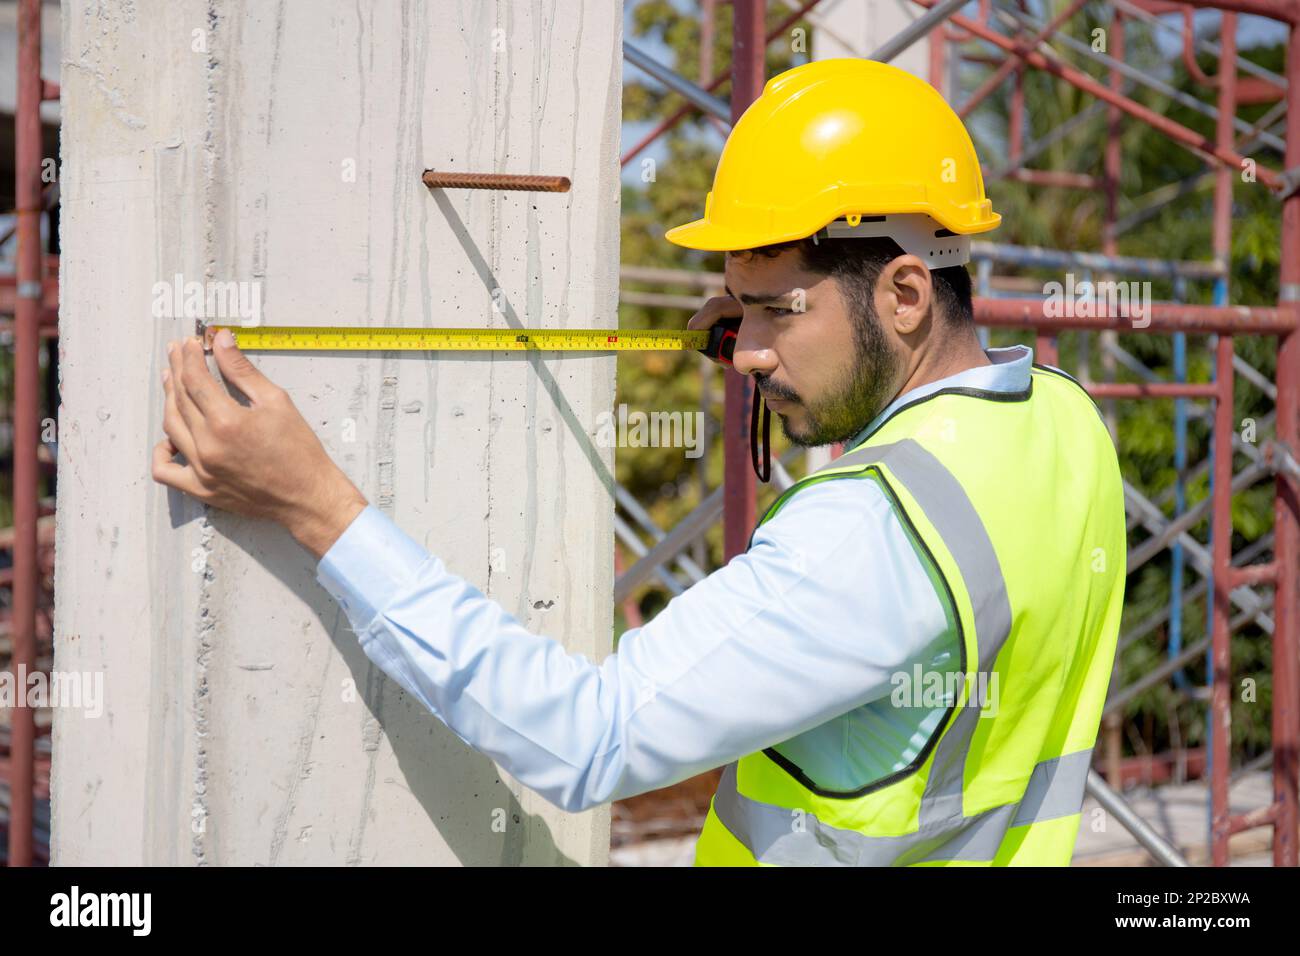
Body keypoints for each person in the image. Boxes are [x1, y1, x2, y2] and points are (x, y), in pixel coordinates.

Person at [153, 58, 1126, 866]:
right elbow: (909, 497)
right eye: (736, 306)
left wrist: (316, 503)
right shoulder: (1062, 422)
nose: (744, 346)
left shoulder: (866, 534)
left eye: (777, 308)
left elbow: (586, 735)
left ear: (906, 291)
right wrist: (780, 333)